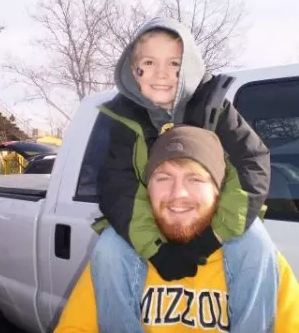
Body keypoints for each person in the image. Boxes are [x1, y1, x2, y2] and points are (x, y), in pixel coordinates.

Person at [90, 17, 273, 332]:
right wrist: (155, 250)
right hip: (149, 218)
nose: (162, 74)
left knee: (257, 243)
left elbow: (252, 161)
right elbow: (117, 187)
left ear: (189, 65)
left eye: (174, 63)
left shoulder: (213, 107)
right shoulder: (122, 118)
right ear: (133, 70)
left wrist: (210, 238)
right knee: (107, 250)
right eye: (149, 62)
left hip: (212, 218)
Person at [55, 126, 299, 333]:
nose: (177, 194)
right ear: (146, 190)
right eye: (163, 178)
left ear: (219, 190)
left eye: (195, 179)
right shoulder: (118, 256)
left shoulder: (257, 258)